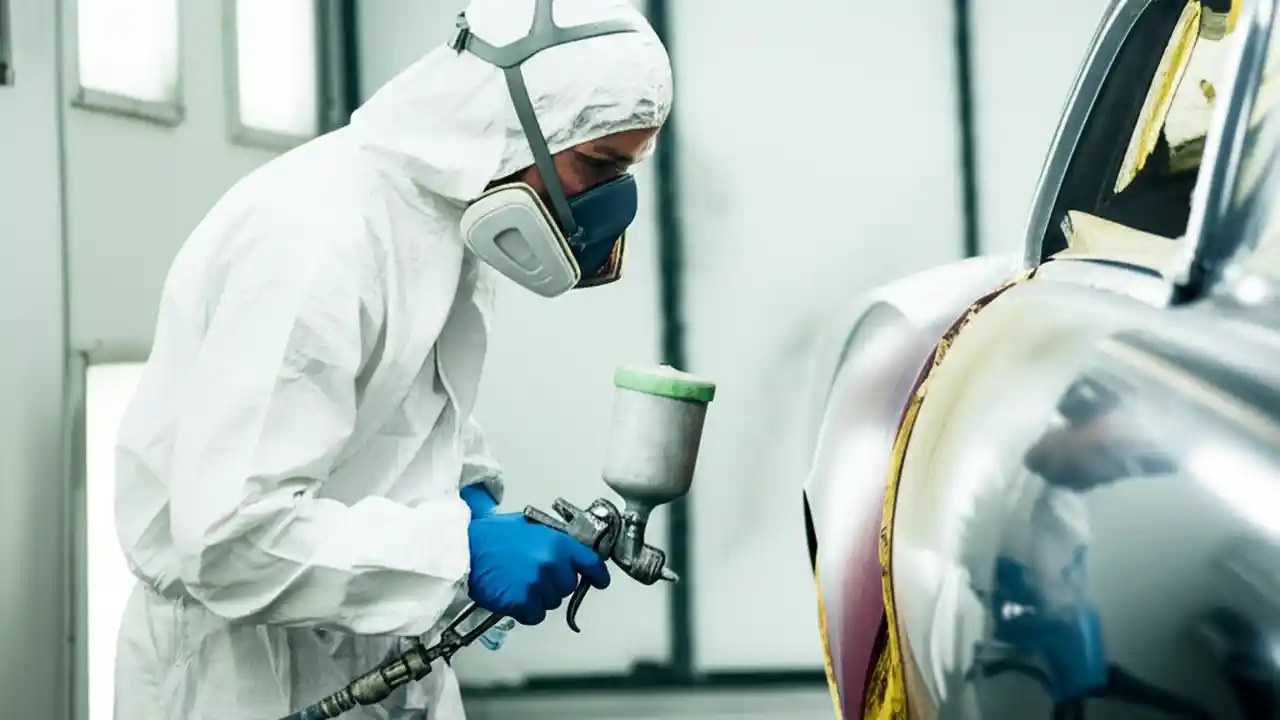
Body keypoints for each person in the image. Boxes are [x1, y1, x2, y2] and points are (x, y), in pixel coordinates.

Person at [111, 0, 673, 717]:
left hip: (373, 643)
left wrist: (467, 497)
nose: (604, 201)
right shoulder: (317, 239)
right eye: (597, 165)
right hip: (247, 673)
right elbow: (227, 540)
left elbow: (410, 408)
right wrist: (457, 555)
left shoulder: (442, 215)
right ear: (523, 118)